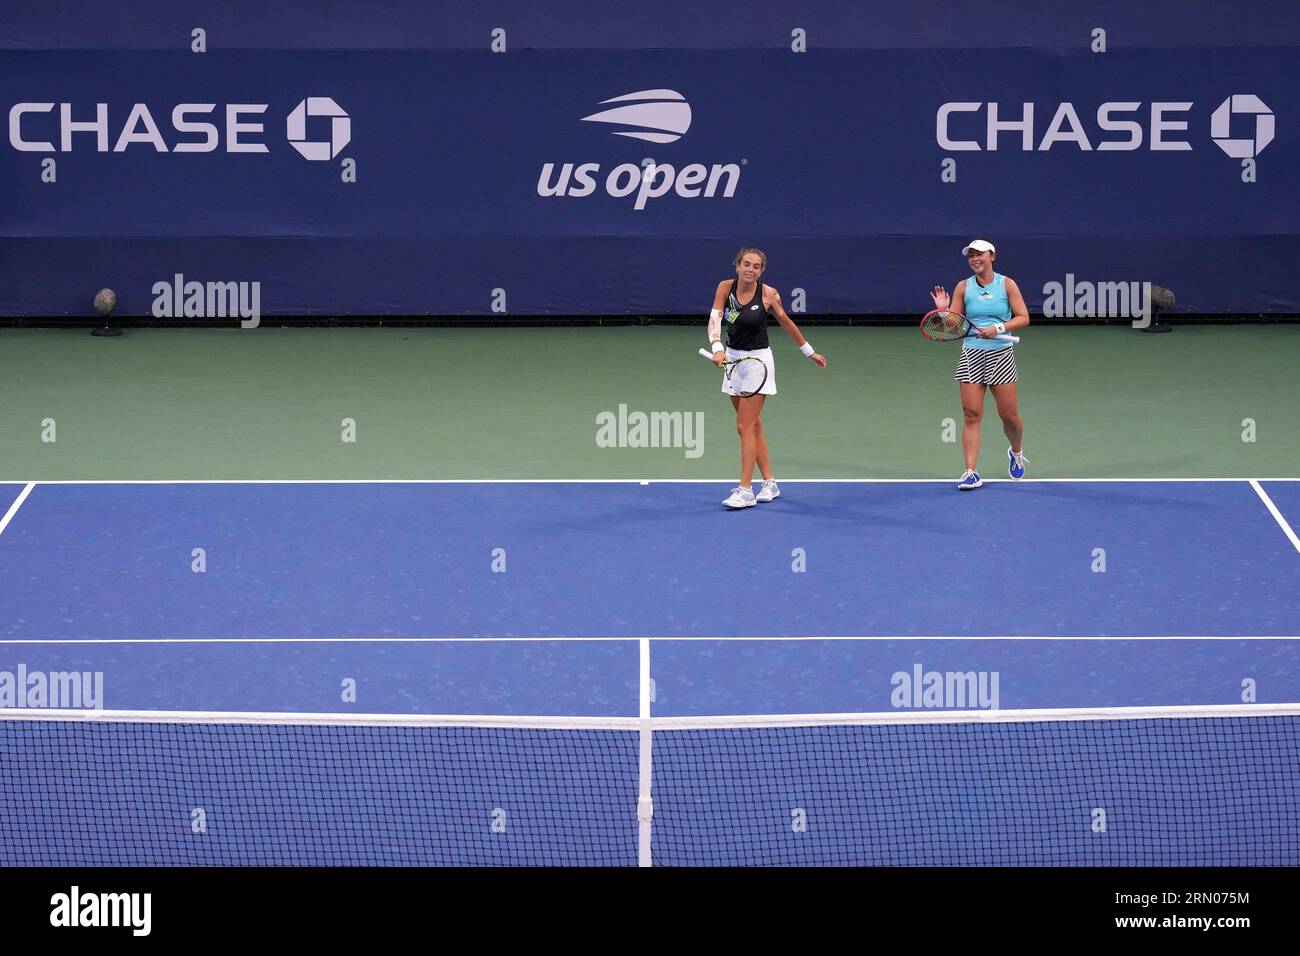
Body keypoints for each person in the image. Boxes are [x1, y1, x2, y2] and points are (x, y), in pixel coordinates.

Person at [707, 248, 827, 509]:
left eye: (757, 266)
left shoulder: (769, 294)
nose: (751, 269)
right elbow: (715, 319)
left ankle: (746, 489)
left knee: (744, 426)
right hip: (732, 361)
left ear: (761, 270)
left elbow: (785, 323)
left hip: (758, 364)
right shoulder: (724, 288)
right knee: (754, 426)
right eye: (746, 264)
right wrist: (717, 348)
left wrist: (809, 352)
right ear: (737, 265)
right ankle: (770, 483)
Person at [930, 239, 1030, 489]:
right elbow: (953, 325)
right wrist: (943, 312)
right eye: (971, 256)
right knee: (971, 415)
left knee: (1009, 417)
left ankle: (1016, 451)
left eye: (979, 254)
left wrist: (997, 328)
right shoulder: (963, 287)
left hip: (1001, 354)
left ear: (992, 256)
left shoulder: (1007, 284)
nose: (975, 259)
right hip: (972, 354)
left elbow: (1023, 318)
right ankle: (971, 471)